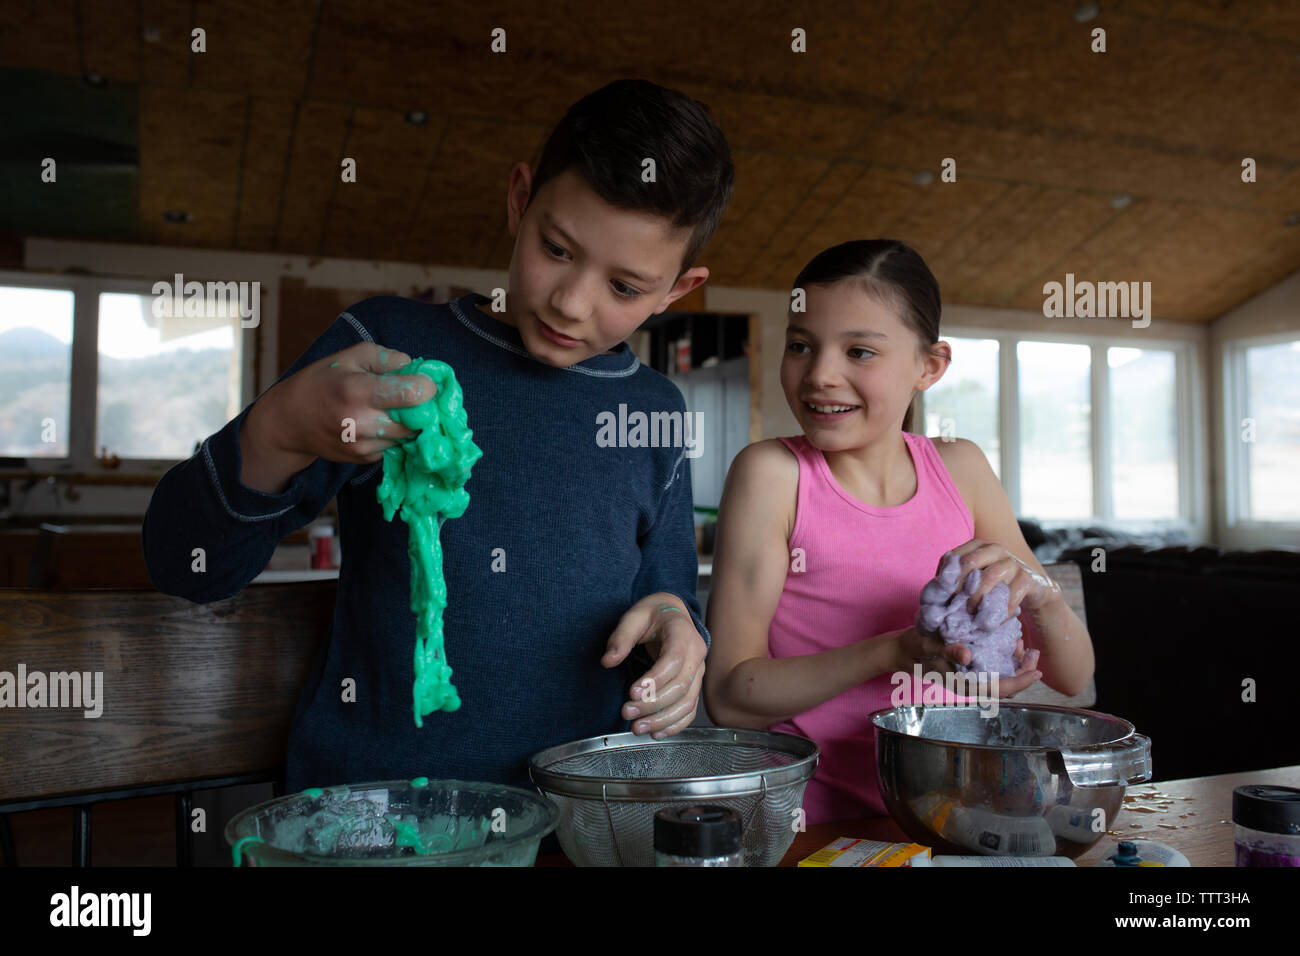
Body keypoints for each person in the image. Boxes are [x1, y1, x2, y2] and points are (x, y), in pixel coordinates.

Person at [142, 78, 735, 794]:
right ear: (519, 200)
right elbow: (187, 566)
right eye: (556, 248)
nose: (571, 301)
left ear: (678, 289)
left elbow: (667, 598)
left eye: (626, 288)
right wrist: (281, 427)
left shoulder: (655, 412)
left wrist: (680, 638)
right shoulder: (387, 352)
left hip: (578, 816)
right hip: (376, 813)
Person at [702, 239, 1095, 824]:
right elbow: (732, 697)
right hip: (809, 822)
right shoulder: (773, 475)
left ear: (929, 367)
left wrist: (1042, 595)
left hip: (950, 813)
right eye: (800, 345)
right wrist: (897, 650)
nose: (820, 375)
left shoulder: (960, 467)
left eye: (859, 351)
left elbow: (1072, 675)